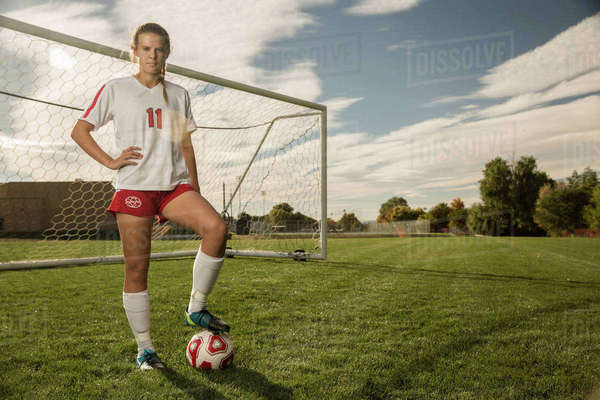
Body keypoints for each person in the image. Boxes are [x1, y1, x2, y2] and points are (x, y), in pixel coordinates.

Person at [70, 22, 229, 371]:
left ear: (167, 53)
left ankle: (195, 309)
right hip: (134, 190)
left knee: (216, 228)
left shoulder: (178, 94)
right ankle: (145, 349)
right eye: (145, 49)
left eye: (158, 49)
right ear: (134, 52)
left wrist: (196, 191)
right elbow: (80, 130)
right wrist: (111, 161)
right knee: (138, 268)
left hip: (173, 188)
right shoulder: (116, 89)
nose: (152, 56)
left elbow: (186, 146)